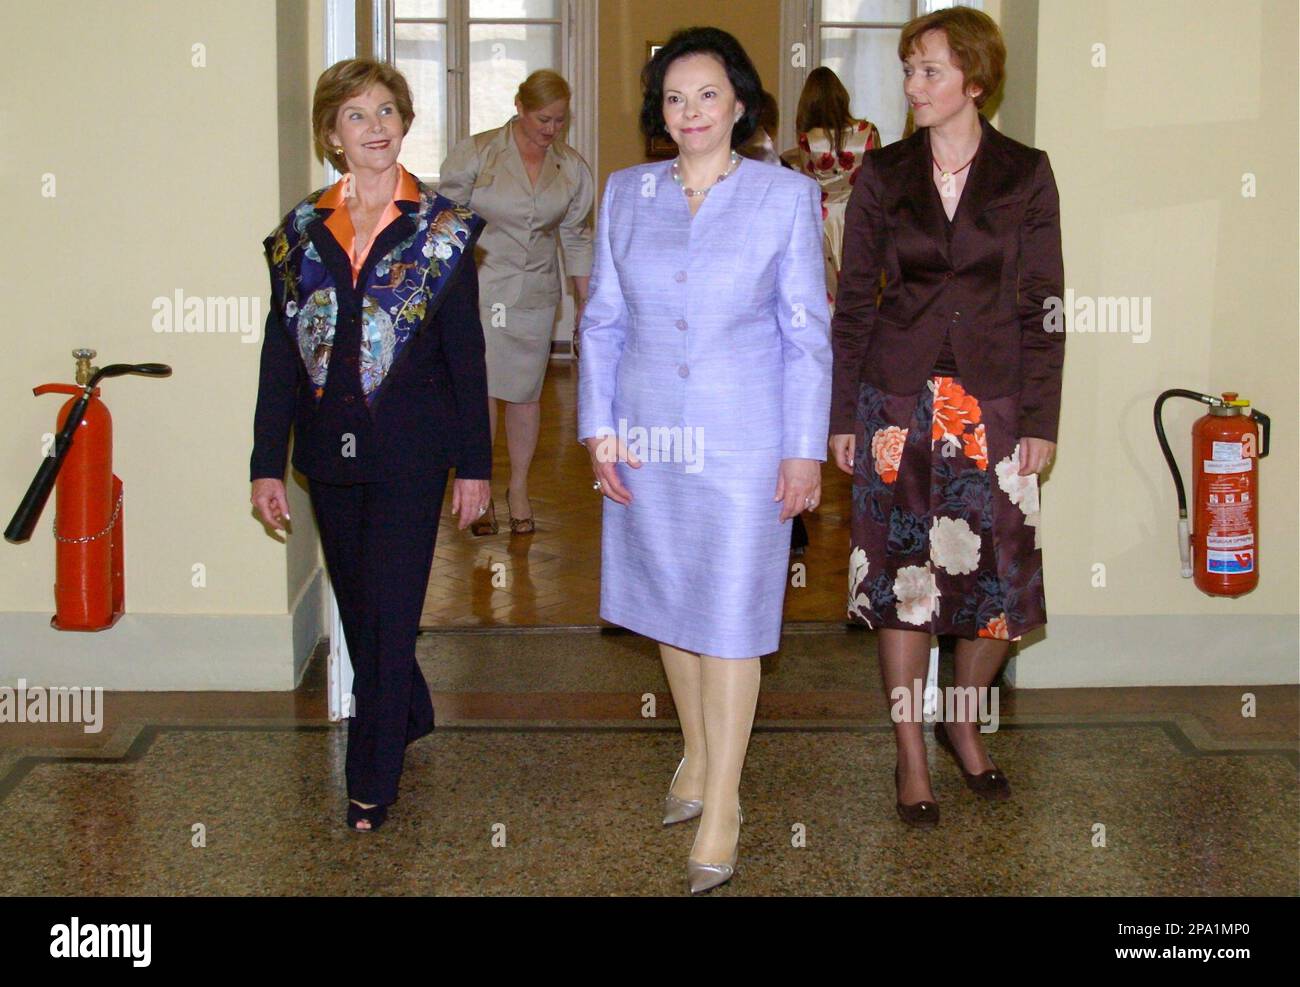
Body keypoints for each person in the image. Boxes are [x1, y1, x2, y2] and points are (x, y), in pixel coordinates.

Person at [578, 27, 831, 892]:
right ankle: (693, 752)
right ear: (661, 110)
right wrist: (598, 429)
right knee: (668, 602)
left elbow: (808, 336)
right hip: (646, 435)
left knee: (730, 616)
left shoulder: (784, 197)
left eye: (708, 95)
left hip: (744, 442)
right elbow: (603, 321)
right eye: (676, 98)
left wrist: (803, 450)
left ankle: (723, 798)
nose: (691, 112)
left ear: (739, 105)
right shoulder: (624, 193)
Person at [828, 7, 1064, 827]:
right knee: (902, 585)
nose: (912, 85)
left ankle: (963, 719)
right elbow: (854, 300)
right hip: (895, 398)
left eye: (929, 70)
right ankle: (910, 752)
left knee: (996, 584)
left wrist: (1041, 415)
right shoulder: (884, 174)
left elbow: (1044, 305)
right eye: (908, 70)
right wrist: (842, 414)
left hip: (993, 404)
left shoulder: (1026, 172)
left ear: (975, 79)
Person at [250, 58, 492, 833]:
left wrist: (476, 466)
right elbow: (280, 355)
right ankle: (411, 706)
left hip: (414, 453)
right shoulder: (299, 233)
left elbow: (468, 358)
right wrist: (265, 462)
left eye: (387, 111)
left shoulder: (443, 231)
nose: (375, 127)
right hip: (328, 453)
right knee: (361, 605)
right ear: (332, 133)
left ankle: (370, 774)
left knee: (390, 612)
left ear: (405, 123)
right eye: (357, 115)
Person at [438, 70, 594, 536]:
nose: (550, 130)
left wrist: (586, 303)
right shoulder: (478, 153)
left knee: (525, 393)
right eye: (543, 119)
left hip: (535, 294)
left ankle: (520, 488)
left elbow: (577, 236)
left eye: (559, 122)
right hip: (479, 289)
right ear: (520, 108)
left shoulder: (571, 168)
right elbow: (444, 225)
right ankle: (478, 487)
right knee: (480, 390)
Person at [795, 67, 882, 307]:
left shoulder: (808, 139)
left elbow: (808, 183)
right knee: (863, 287)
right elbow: (880, 177)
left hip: (823, 219)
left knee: (827, 292)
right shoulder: (867, 130)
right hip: (861, 215)